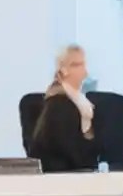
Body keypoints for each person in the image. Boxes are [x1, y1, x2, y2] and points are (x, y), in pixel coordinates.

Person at [29, 44, 99, 173]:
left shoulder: (80, 102)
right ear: (64, 70)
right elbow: (67, 148)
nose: (84, 70)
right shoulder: (59, 104)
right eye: (77, 65)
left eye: (83, 64)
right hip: (62, 176)